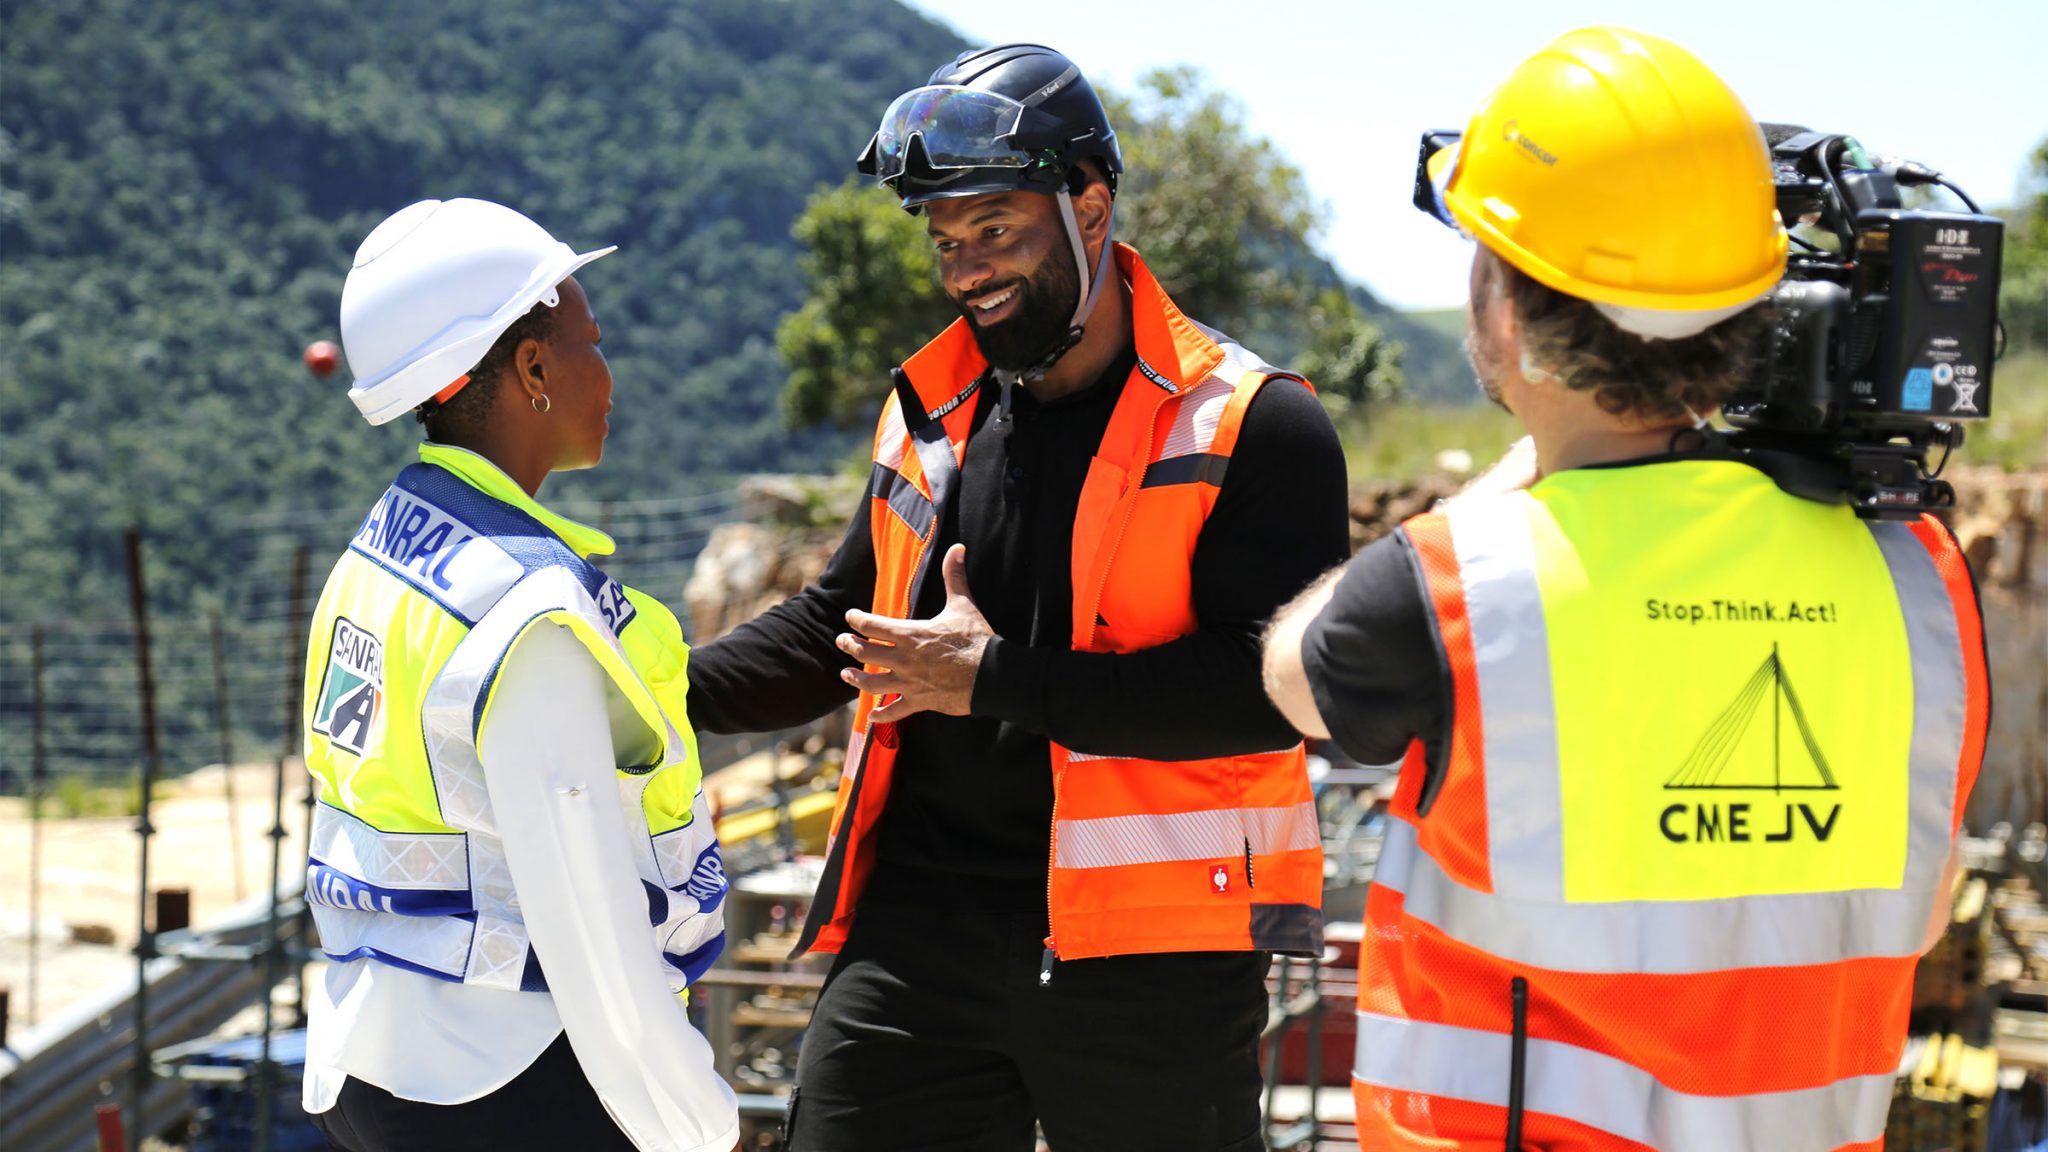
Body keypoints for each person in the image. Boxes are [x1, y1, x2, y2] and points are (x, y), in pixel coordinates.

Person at [1262, 27, 1991, 1151]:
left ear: (1506, 314)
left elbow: (1288, 670)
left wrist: (1504, 487)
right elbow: (1925, 900)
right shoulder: (1917, 577)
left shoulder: (1457, 582)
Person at [685, 44, 1350, 1151]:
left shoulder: (1252, 423)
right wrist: (640, 688)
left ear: (1088, 206)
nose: (965, 270)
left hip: (1156, 966)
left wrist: (989, 680)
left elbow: (1266, 690)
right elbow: (840, 630)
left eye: (995, 230)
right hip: (918, 934)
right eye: (945, 241)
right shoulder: (932, 413)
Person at [300, 197, 739, 1152]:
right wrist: (697, 1117)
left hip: (374, 1056)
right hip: (517, 1076)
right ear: (533, 368)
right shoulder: (525, 607)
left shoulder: (378, 554)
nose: (609, 372)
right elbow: (587, 920)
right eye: (591, 340)